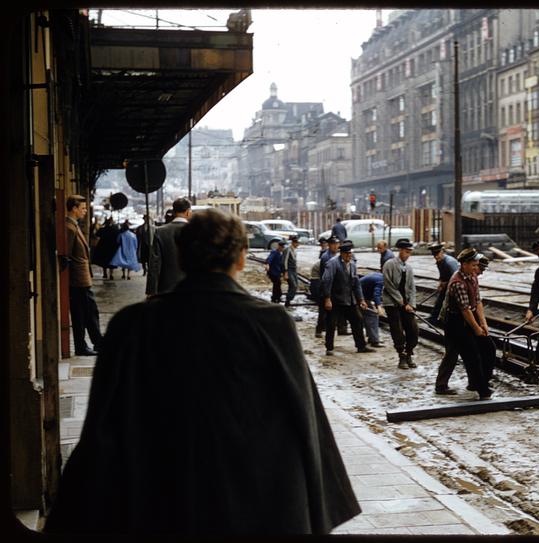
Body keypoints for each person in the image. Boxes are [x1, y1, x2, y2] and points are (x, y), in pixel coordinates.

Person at [44, 209, 361, 535]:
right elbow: (307, 421)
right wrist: (318, 509)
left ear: (181, 256)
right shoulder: (271, 323)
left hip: (156, 506)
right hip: (254, 506)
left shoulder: (132, 324)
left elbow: (100, 428)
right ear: (240, 258)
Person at [442, 248, 493, 400]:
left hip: (468, 319)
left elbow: (477, 301)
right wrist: (476, 328)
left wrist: (483, 324)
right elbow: (465, 310)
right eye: (474, 264)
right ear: (464, 264)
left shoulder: (472, 276)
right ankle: (483, 390)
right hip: (456, 322)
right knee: (472, 356)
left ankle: (479, 382)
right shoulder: (457, 282)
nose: (477, 267)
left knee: (489, 347)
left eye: (477, 264)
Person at [61, 194, 103, 356]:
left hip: (81, 278)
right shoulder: (69, 227)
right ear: (74, 208)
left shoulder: (74, 225)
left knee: (88, 312)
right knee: (83, 313)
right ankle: (86, 345)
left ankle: (95, 342)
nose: (85, 211)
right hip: (77, 280)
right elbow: (67, 256)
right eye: (83, 208)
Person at [321, 240, 374, 356]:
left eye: (350, 254)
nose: (349, 256)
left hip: (349, 300)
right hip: (335, 300)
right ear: (342, 253)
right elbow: (326, 281)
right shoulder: (332, 263)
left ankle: (361, 346)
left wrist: (361, 300)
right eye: (347, 254)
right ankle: (329, 348)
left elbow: (356, 284)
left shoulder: (353, 265)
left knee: (357, 320)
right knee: (331, 324)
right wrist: (327, 298)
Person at [381, 238, 419, 370]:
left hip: (406, 304)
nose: (408, 255)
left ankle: (409, 353)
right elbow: (388, 285)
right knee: (397, 329)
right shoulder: (389, 264)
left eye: (410, 252)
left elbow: (412, 288)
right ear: (401, 251)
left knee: (413, 330)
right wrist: (401, 301)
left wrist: (411, 303)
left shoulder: (408, 268)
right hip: (392, 303)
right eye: (407, 252)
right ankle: (402, 356)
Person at [146, 198, 192, 296]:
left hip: (165, 288)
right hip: (190, 288)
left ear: (174, 212)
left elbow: (154, 263)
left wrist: (151, 291)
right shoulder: (197, 231)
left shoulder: (160, 232)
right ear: (188, 212)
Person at [428, 242, 459, 326]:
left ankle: (446, 322)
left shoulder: (450, 262)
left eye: (437, 254)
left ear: (442, 252)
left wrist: (446, 284)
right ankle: (433, 319)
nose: (436, 257)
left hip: (455, 286)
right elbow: (442, 274)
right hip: (448, 285)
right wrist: (441, 283)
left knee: (450, 304)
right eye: (434, 255)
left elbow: (456, 278)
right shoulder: (439, 261)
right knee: (440, 301)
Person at [316, 236, 340, 338]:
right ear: (329, 245)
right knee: (323, 310)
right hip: (327, 286)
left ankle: (331, 327)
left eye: (337, 244)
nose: (336, 246)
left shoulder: (335, 255)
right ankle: (319, 330)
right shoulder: (326, 257)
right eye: (334, 244)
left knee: (330, 310)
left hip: (334, 286)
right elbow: (326, 276)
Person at [359, 271, 386, 347]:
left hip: (360, 295)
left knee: (368, 316)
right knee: (372, 315)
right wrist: (379, 307)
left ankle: (371, 337)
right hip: (360, 296)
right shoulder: (381, 281)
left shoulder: (379, 276)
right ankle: (374, 340)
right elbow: (376, 294)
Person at [266, 239, 287, 304]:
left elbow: (281, 264)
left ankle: (276, 297)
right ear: (279, 246)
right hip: (273, 272)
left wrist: (284, 272)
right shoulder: (274, 252)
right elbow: (269, 259)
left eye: (283, 247)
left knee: (277, 284)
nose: (282, 248)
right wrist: (267, 265)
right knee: (277, 284)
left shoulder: (280, 254)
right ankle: (275, 297)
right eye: (281, 247)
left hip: (277, 272)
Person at [283, 235, 300, 308]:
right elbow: (285, 261)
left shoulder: (294, 250)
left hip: (293, 270)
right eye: (297, 243)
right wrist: (285, 272)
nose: (298, 244)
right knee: (293, 285)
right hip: (289, 270)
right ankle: (288, 301)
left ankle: (289, 300)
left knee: (295, 285)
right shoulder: (288, 249)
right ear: (293, 242)